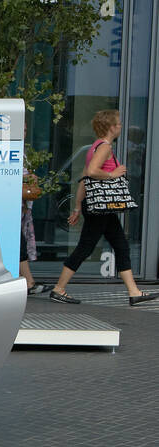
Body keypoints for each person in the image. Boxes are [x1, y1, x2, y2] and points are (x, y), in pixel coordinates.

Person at [50, 109, 157, 306]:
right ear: (111, 127)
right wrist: (113, 174)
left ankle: (134, 292)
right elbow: (91, 172)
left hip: (99, 207)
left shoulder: (94, 147)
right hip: (101, 207)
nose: (121, 126)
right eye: (118, 123)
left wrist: (77, 206)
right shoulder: (105, 147)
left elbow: (84, 178)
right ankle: (59, 288)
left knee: (120, 246)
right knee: (86, 247)